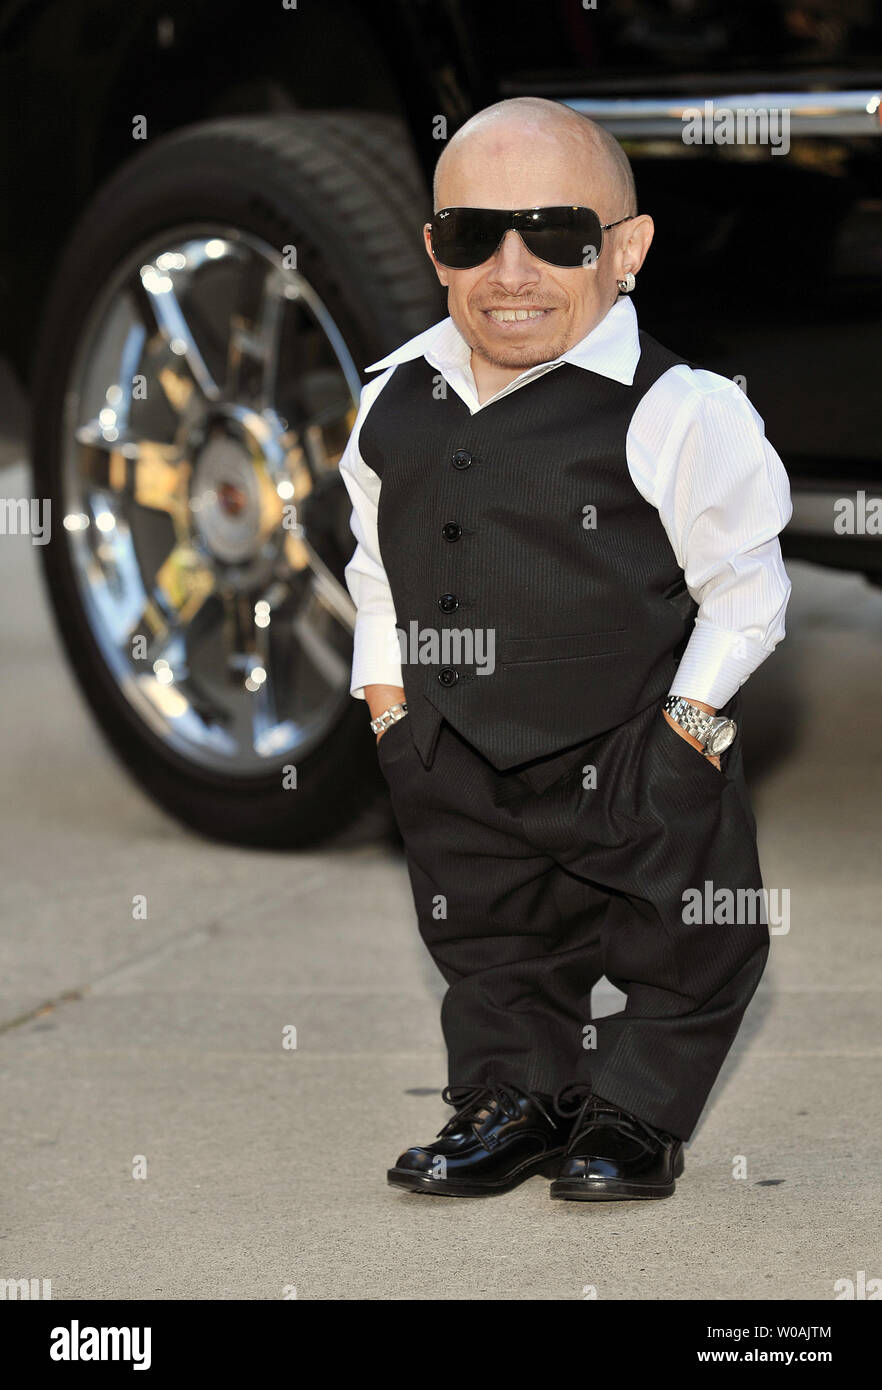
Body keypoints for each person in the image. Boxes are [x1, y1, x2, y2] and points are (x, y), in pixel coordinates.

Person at [339, 97, 792, 1201]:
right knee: (489, 937)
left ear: (625, 249)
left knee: (679, 933)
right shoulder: (389, 401)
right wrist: (389, 699)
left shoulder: (678, 409)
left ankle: (637, 1111)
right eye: (472, 236)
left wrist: (689, 729)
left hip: (635, 734)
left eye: (556, 233)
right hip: (452, 741)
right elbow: (375, 563)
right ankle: (514, 1097)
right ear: (435, 250)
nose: (512, 269)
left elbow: (746, 586)